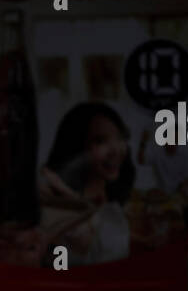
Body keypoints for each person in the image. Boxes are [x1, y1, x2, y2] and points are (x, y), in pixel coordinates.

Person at [37, 102, 136, 265]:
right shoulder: (54, 202)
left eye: (120, 138)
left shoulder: (114, 198)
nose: (116, 150)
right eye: (100, 141)